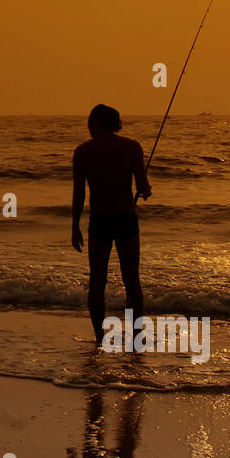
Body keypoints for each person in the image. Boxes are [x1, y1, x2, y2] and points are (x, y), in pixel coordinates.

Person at [71, 104, 151, 341]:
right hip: (126, 218)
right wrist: (146, 191)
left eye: (89, 121)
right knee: (132, 280)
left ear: (96, 123)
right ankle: (137, 335)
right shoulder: (132, 147)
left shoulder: (83, 152)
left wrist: (74, 225)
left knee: (97, 281)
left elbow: (78, 194)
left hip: (99, 220)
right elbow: (143, 187)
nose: (87, 127)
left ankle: (99, 337)